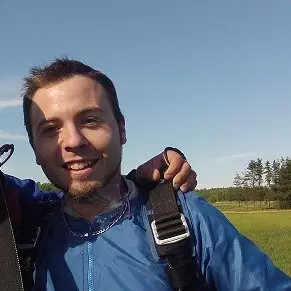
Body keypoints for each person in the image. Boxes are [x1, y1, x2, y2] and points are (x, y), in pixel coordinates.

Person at [14, 58, 291, 290]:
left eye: (90, 120)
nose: (73, 141)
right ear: (35, 149)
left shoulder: (187, 219)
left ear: (121, 129)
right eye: (50, 129)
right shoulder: (27, 225)